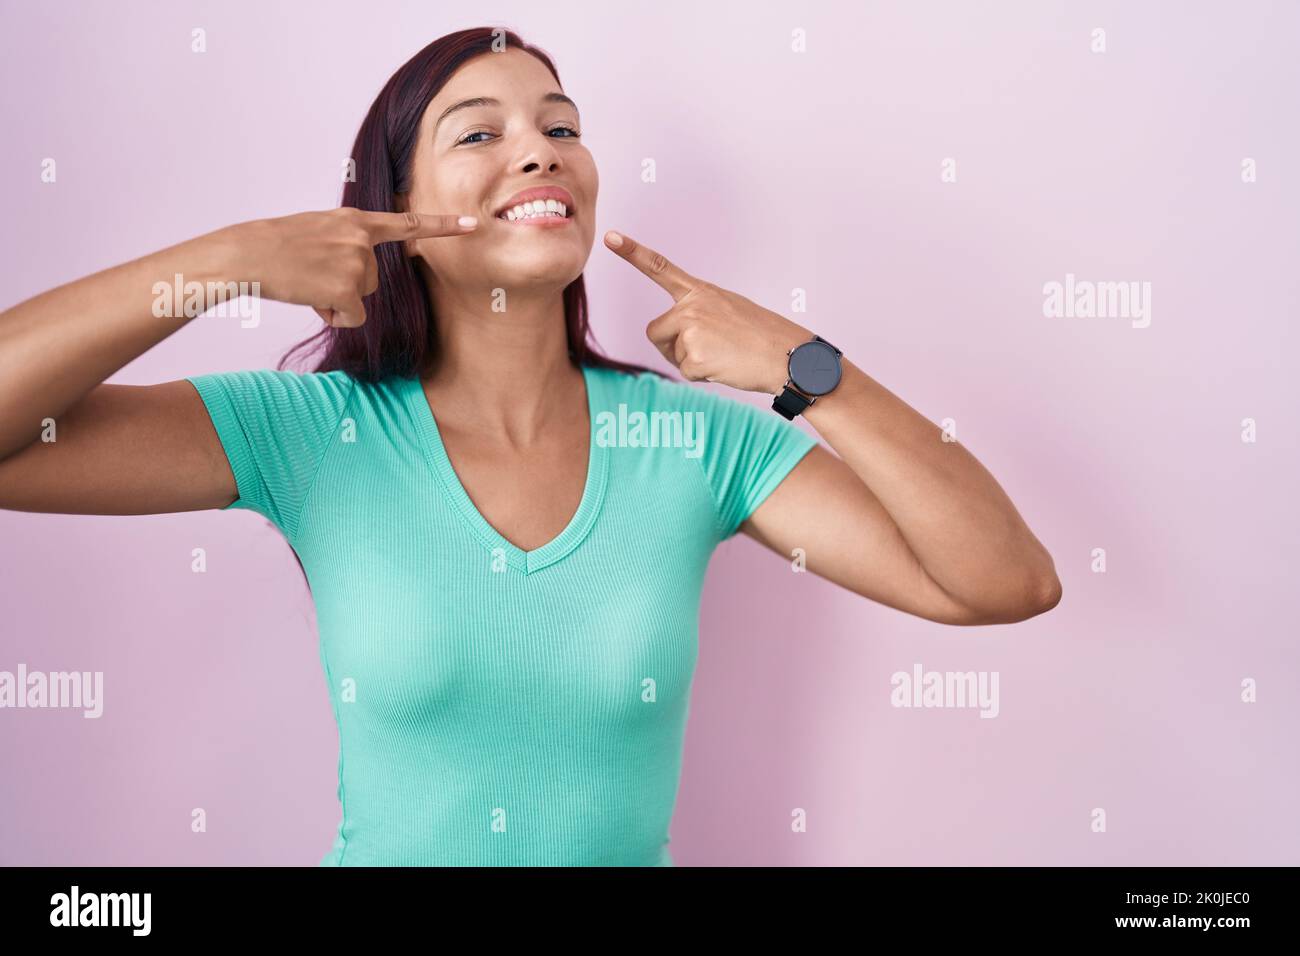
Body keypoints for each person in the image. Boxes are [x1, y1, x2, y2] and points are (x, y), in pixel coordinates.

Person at [0, 27, 1060, 866]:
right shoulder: (309, 431)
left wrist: (801, 363)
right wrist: (223, 258)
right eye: (477, 133)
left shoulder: (691, 442)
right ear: (394, 212)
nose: (539, 148)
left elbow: (1001, 580)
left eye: (560, 124)